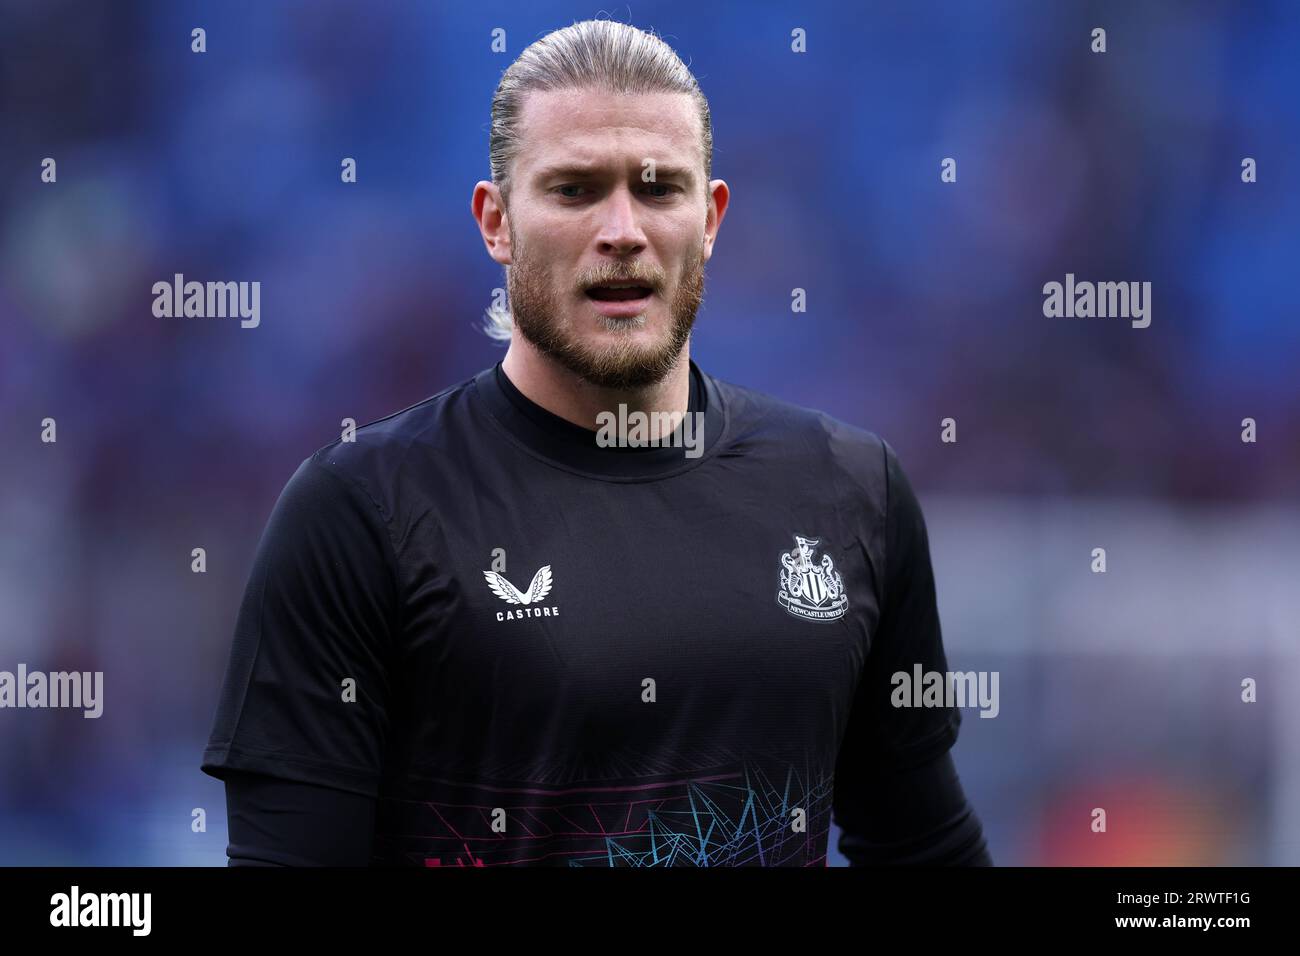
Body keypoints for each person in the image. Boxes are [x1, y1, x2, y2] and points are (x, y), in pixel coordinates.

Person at [201, 18, 991, 867]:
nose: (623, 229)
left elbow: (924, 844)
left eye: (658, 189)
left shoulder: (851, 491)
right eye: (575, 190)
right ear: (496, 221)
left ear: (712, 217)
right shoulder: (359, 514)